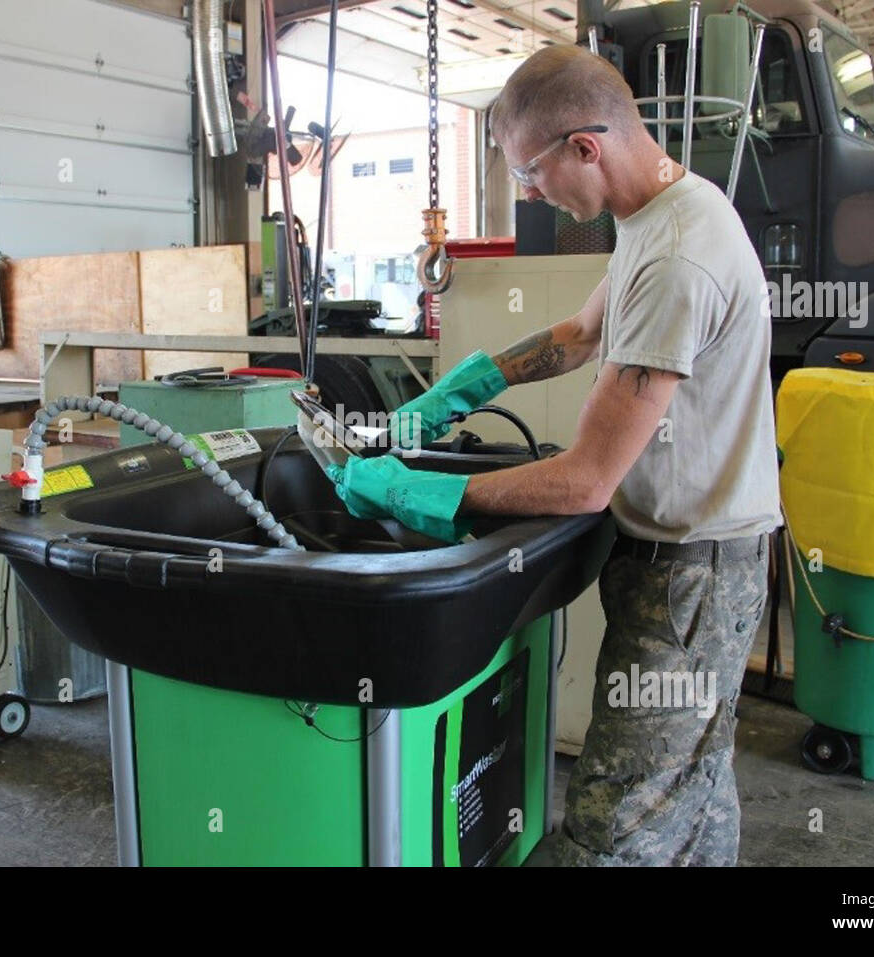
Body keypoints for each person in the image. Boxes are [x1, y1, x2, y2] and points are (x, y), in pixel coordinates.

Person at [326, 45, 782, 866]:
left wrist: (419, 494)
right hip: (696, 559)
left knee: (618, 817)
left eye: (529, 174)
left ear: (584, 147)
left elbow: (584, 480)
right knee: (693, 788)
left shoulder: (680, 257)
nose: (530, 193)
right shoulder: (659, 215)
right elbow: (579, 334)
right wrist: (458, 391)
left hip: (693, 571)